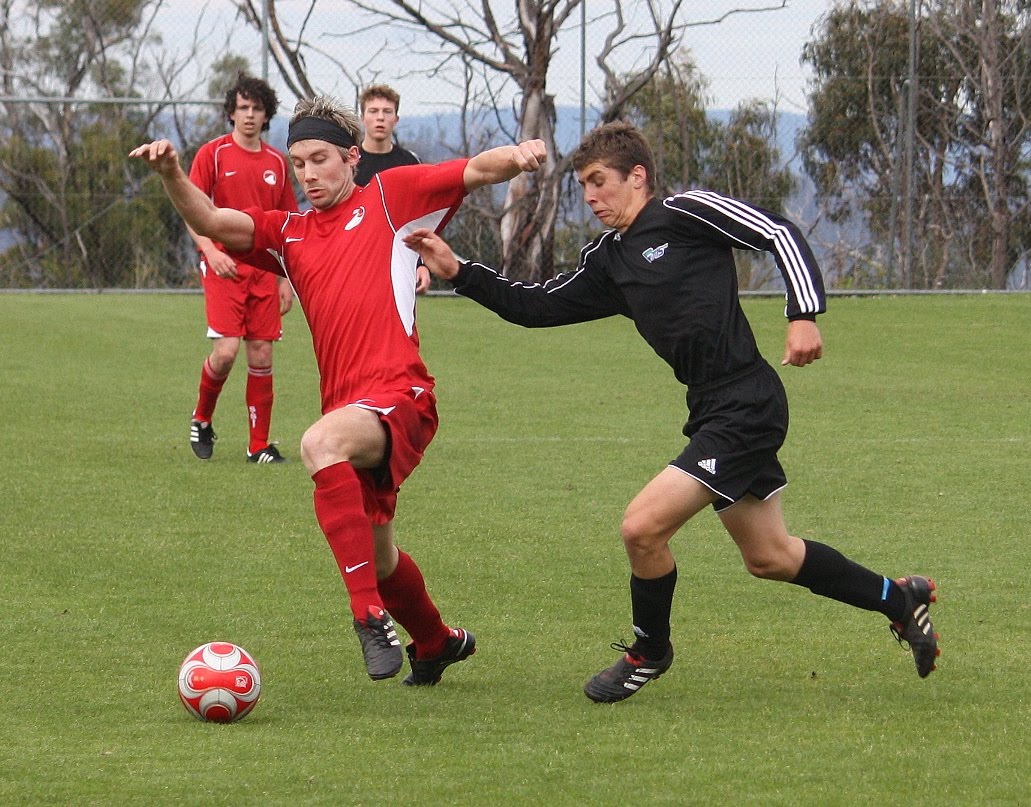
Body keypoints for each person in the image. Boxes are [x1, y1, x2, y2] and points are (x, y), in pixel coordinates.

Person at [404, 121, 940, 703]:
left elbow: (776, 231)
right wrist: (459, 271)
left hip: (747, 404)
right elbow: (537, 307)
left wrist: (803, 311)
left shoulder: (684, 212)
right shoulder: (609, 260)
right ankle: (898, 597)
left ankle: (649, 650)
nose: (590, 197)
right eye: (584, 185)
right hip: (712, 408)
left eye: (599, 182)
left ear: (638, 177)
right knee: (771, 557)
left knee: (642, 527)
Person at [130, 96, 546, 685]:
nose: (307, 174)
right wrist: (173, 173)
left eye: (319, 159)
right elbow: (212, 222)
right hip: (353, 408)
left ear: (351, 157)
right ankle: (436, 641)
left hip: (402, 395)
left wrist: (521, 155)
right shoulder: (289, 234)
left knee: (318, 443)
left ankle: (367, 618)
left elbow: (475, 169)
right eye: (298, 162)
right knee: (380, 560)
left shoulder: (390, 196)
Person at [186, 73, 298, 464]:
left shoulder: (277, 163)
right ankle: (202, 417)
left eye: (257, 108)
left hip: (264, 269)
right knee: (227, 352)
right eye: (243, 108)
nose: (249, 115)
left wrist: (285, 277)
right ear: (231, 112)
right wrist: (208, 250)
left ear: (266, 114)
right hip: (224, 267)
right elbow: (192, 210)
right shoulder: (212, 155)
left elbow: (286, 221)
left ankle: (258, 446)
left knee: (262, 355)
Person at [354, 84, 431, 294]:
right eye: (373, 111)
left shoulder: (411, 163)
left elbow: (420, 218)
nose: (380, 118)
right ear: (362, 117)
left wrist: (421, 263)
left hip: (399, 260)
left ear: (396, 119)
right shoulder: (349, 163)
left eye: (387, 112)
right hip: (355, 261)